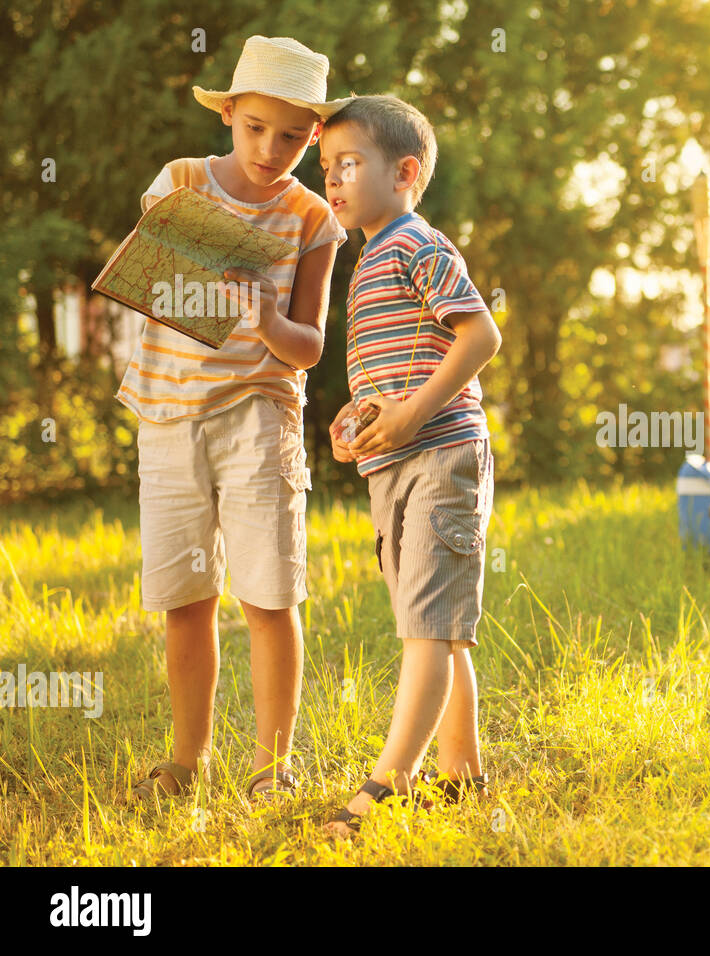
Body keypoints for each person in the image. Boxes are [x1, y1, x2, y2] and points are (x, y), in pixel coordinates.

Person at [120, 35, 349, 803]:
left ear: (314, 135)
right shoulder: (181, 180)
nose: (270, 148)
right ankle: (189, 759)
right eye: (255, 127)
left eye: (291, 135)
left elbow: (310, 345)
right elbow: (153, 265)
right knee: (186, 602)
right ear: (228, 115)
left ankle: (271, 765)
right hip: (168, 414)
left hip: (260, 416)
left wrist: (264, 318)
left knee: (268, 596)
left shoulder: (312, 217)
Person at [319, 94, 502, 837]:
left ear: (404, 172)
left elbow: (480, 335)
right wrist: (356, 418)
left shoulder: (417, 245)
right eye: (325, 167)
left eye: (348, 163)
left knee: (426, 629)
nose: (332, 180)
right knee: (440, 628)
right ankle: (461, 776)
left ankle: (386, 785)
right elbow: (387, 372)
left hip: (443, 453)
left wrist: (415, 412)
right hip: (395, 463)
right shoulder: (365, 262)